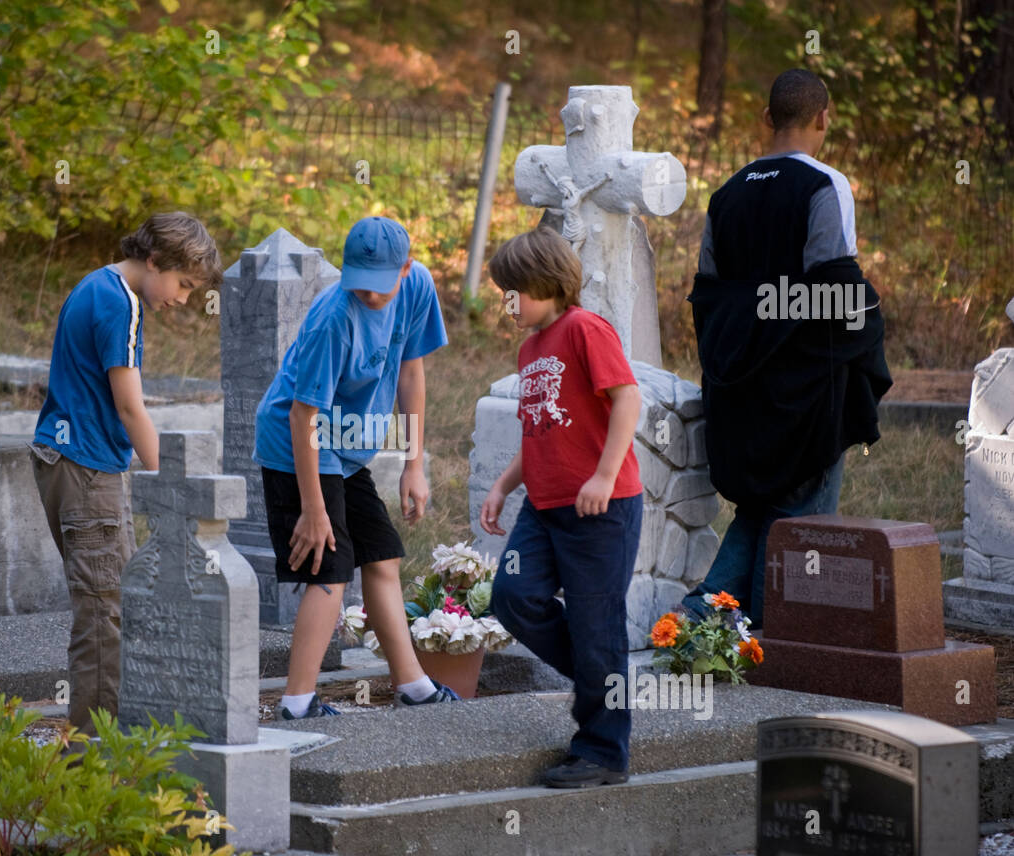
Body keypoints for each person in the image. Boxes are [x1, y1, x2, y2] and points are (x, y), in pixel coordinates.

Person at [681, 68, 892, 629]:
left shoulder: (724, 196)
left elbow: (709, 298)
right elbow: (839, 297)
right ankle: (765, 645)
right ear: (824, 118)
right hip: (805, 397)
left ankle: (699, 622)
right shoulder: (825, 185)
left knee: (761, 513)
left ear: (767, 118)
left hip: (739, 391)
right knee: (799, 531)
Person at [254, 216, 458, 718]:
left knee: (383, 556)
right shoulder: (333, 318)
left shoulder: (417, 287)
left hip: (346, 450)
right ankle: (298, 702)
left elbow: (412, 372)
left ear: (406, 269)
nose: (369, 297)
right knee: (331, 568)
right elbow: (304, 414)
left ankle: (412, 686)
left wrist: (414, 464)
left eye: (379, 287)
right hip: (297, 443)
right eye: (360, 285)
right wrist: (313, 508)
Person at [30, 212, 222, 735]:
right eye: (182, 284)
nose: (182, 299)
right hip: (89, 470)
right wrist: (173, 491)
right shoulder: (121, 304)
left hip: (60, 460)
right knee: (104, 617)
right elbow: (130, 408)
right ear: (155, 261)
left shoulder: (93, 285)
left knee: (105, 607)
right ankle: (96, 757)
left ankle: (101, 741)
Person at [480, 226, 643, 788]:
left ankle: (602, 751)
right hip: (544, 506)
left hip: (601, 508)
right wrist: (503, 485)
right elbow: (539, 427)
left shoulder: (584, 329)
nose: (506, 303)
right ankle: (605, 680)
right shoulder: (530, 349)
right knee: (513, 596)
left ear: (544, 283)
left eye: (511, 292)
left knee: (598, 624)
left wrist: (602, 475)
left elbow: (627, 399)